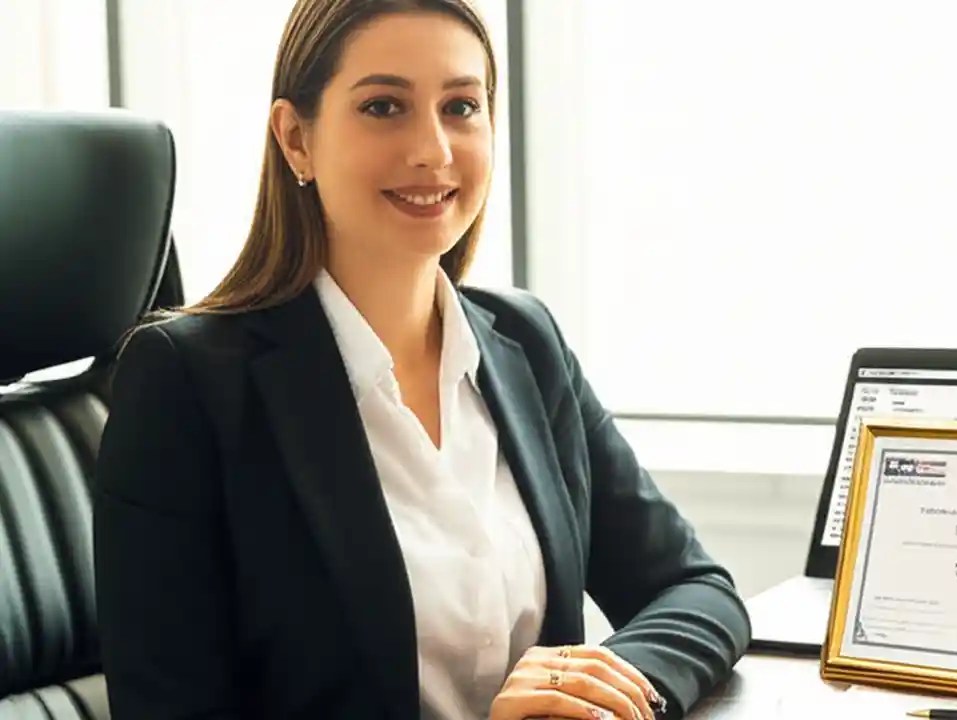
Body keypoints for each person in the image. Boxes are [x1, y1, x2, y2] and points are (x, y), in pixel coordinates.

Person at [92, 1, 750, 718]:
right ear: (296, 139)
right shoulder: (187, 382)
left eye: (462, 106)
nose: (433, 148)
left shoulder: (526, 344)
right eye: (383, 106)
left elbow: (697, 590)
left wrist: (595, 688)